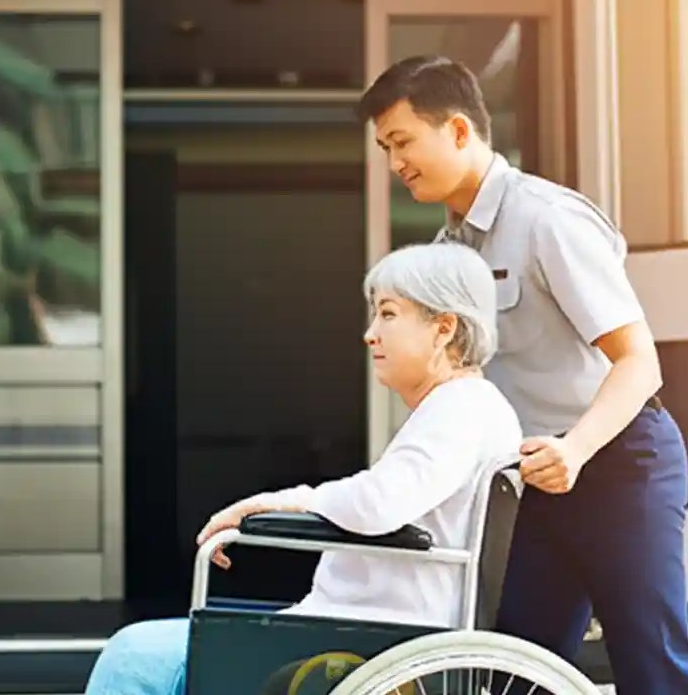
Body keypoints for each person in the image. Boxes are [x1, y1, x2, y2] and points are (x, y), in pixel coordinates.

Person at [356, 54, 688, 694]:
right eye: (385, 149)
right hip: (531, 479)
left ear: (459, 130)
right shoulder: (446, 256)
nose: (395, 162)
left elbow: (639, 361)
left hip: (619, 465)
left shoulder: (547, 219)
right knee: (514, 669)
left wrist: (576, 450)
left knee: (651, 667)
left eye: (403, 142)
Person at [82, 242, 523, 694]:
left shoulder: (460, 410)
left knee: (134, 656)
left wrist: (280, 503)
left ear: (444, 329)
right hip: (369, 632)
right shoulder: (467, 408)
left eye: (388, 314)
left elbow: (379, 504)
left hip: (372, 643)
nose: (370, 334)